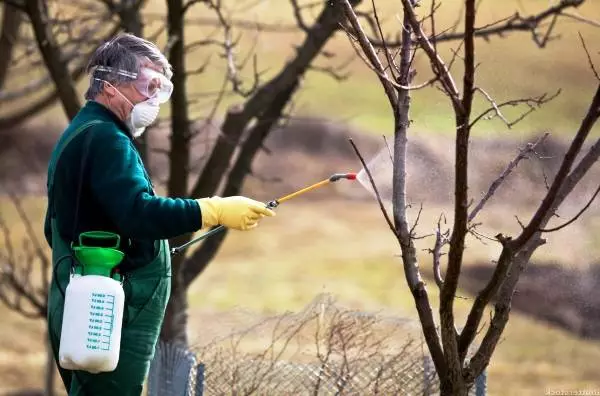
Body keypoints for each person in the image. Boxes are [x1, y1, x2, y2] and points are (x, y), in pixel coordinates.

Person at [43, 32, 275, 395]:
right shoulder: (105, 139)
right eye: (147, 85)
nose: (153, 100)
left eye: (160, 89)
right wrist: (212, 209)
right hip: (106, 312)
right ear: (108, 86)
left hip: (90, 303)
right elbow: (139, 213)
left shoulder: (88, 132)